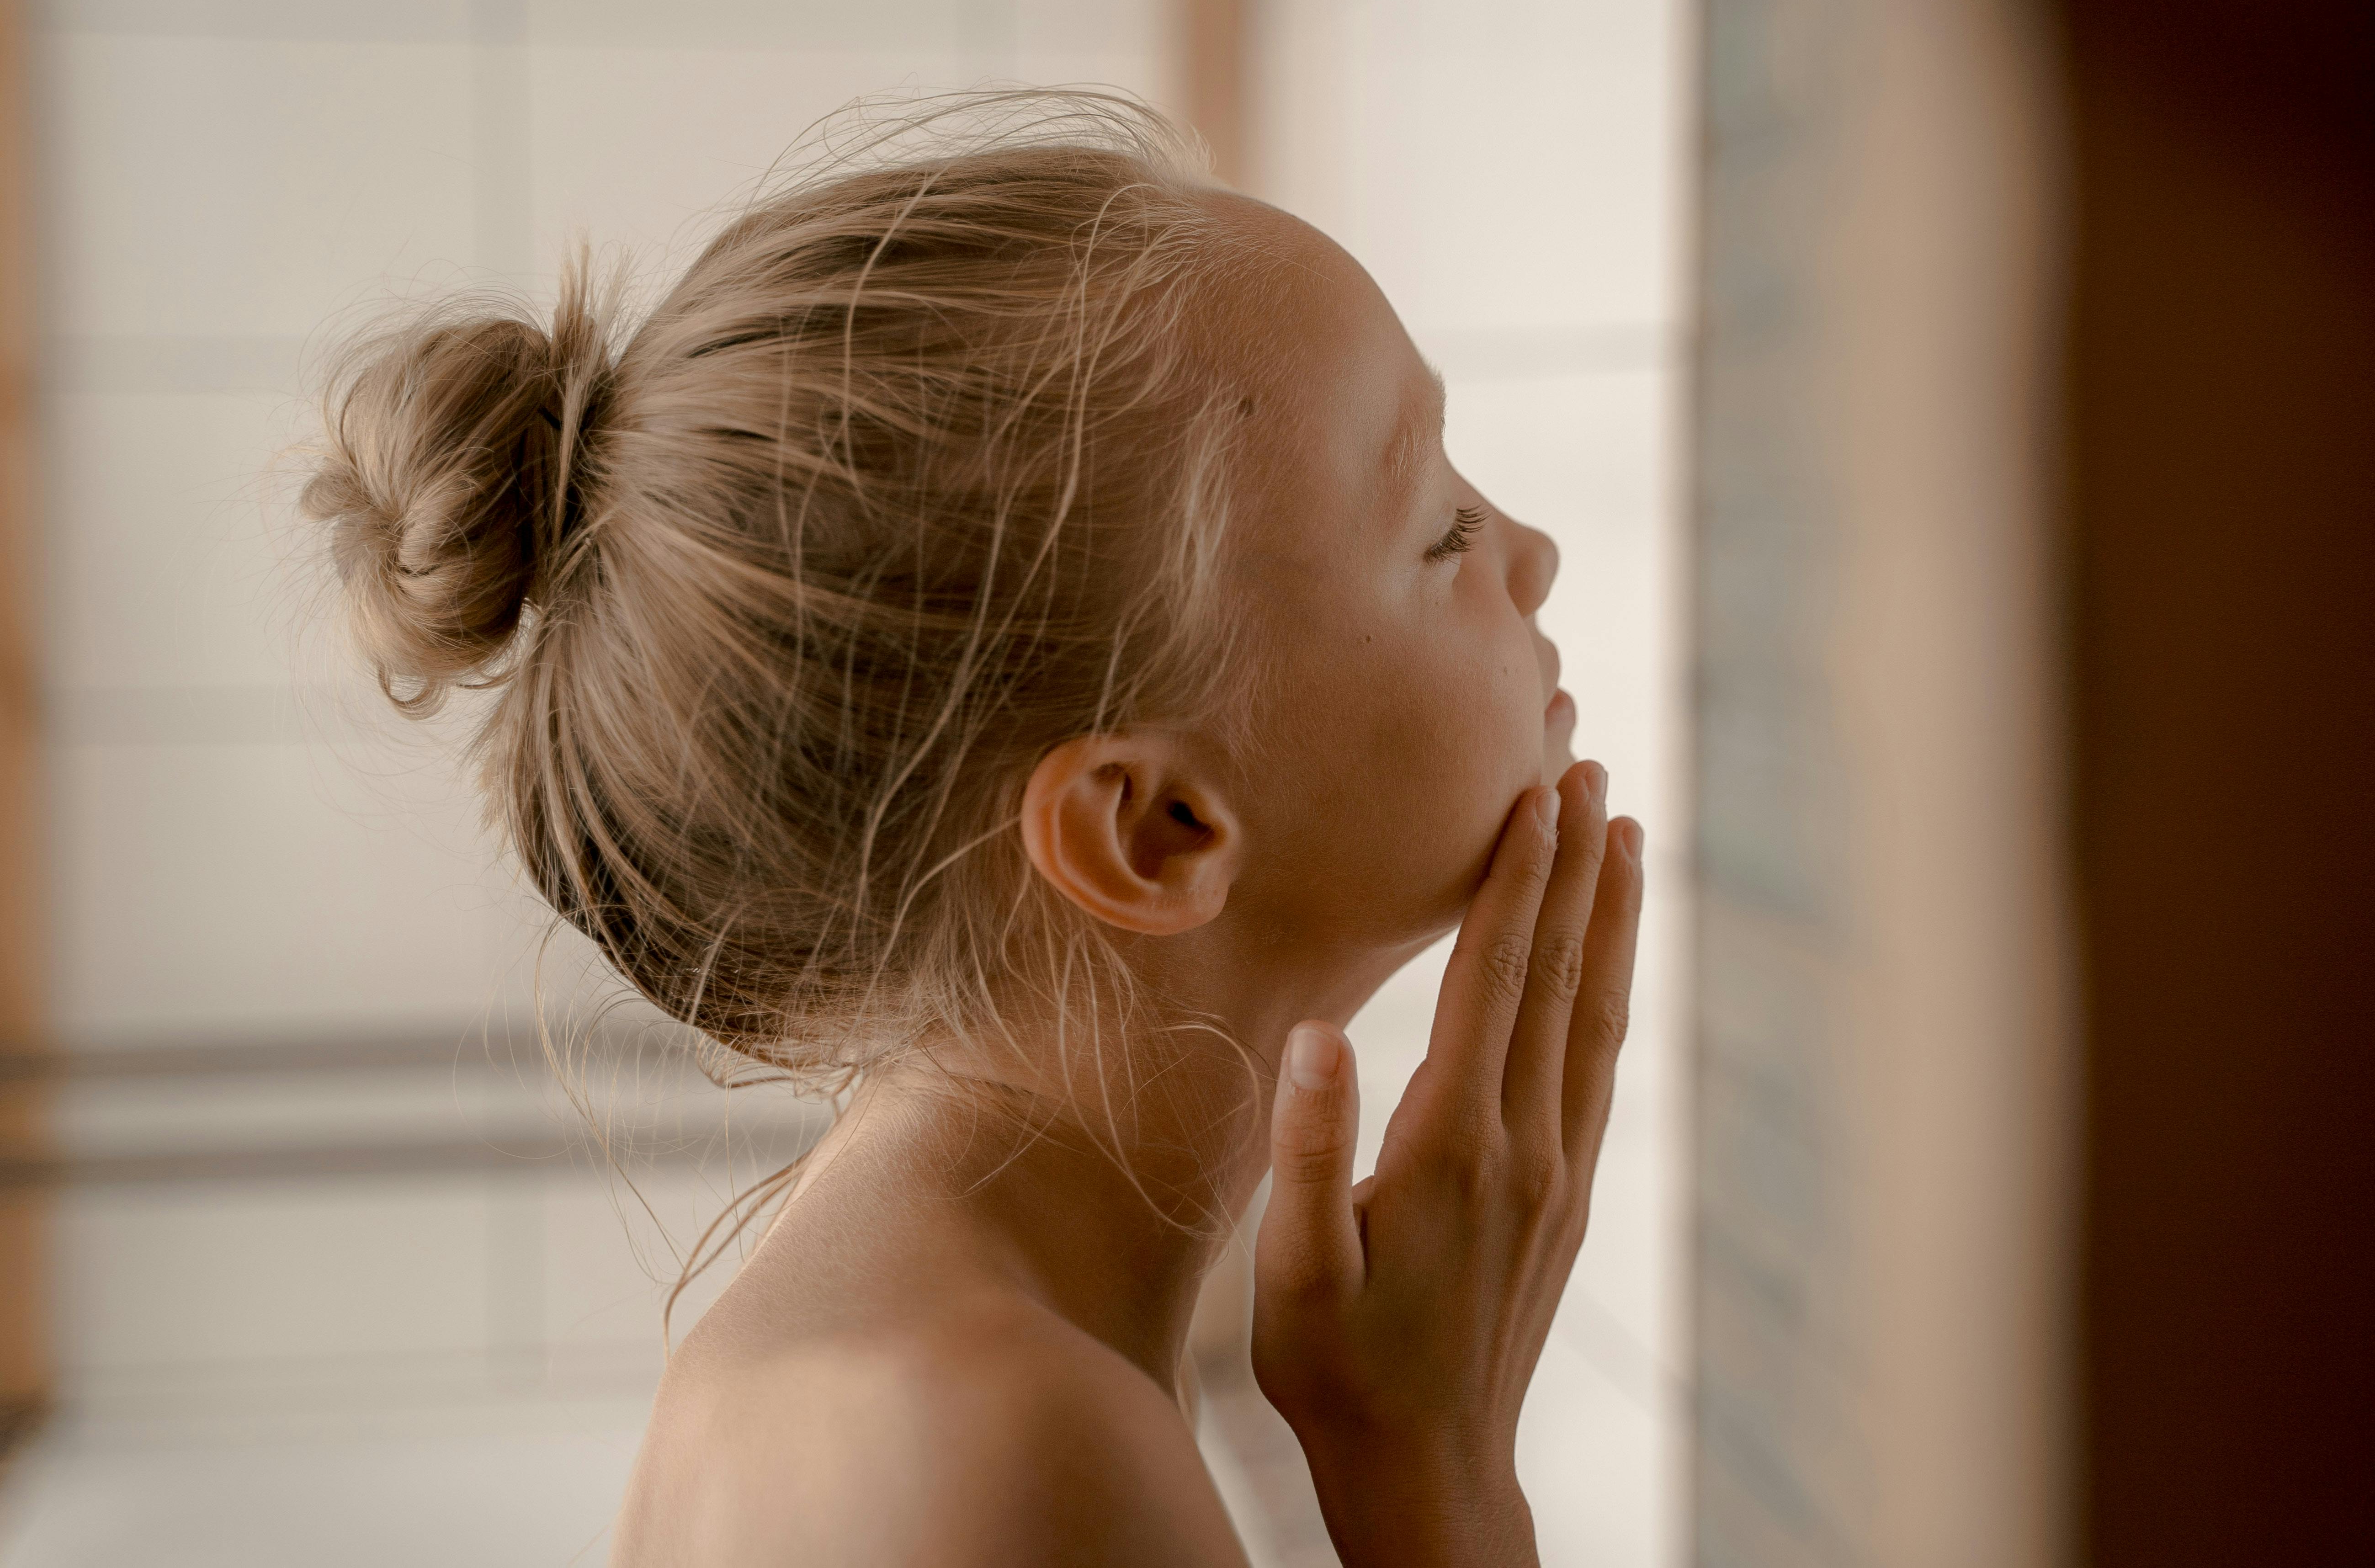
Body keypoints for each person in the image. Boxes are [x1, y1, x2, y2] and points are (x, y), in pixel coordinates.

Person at [300, 92, 1642, 1567]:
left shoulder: (920, 1335)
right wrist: (1437, 1479)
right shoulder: (1007, 1450)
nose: (1532, 554)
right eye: (1439, 527)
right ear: (1154, 829)